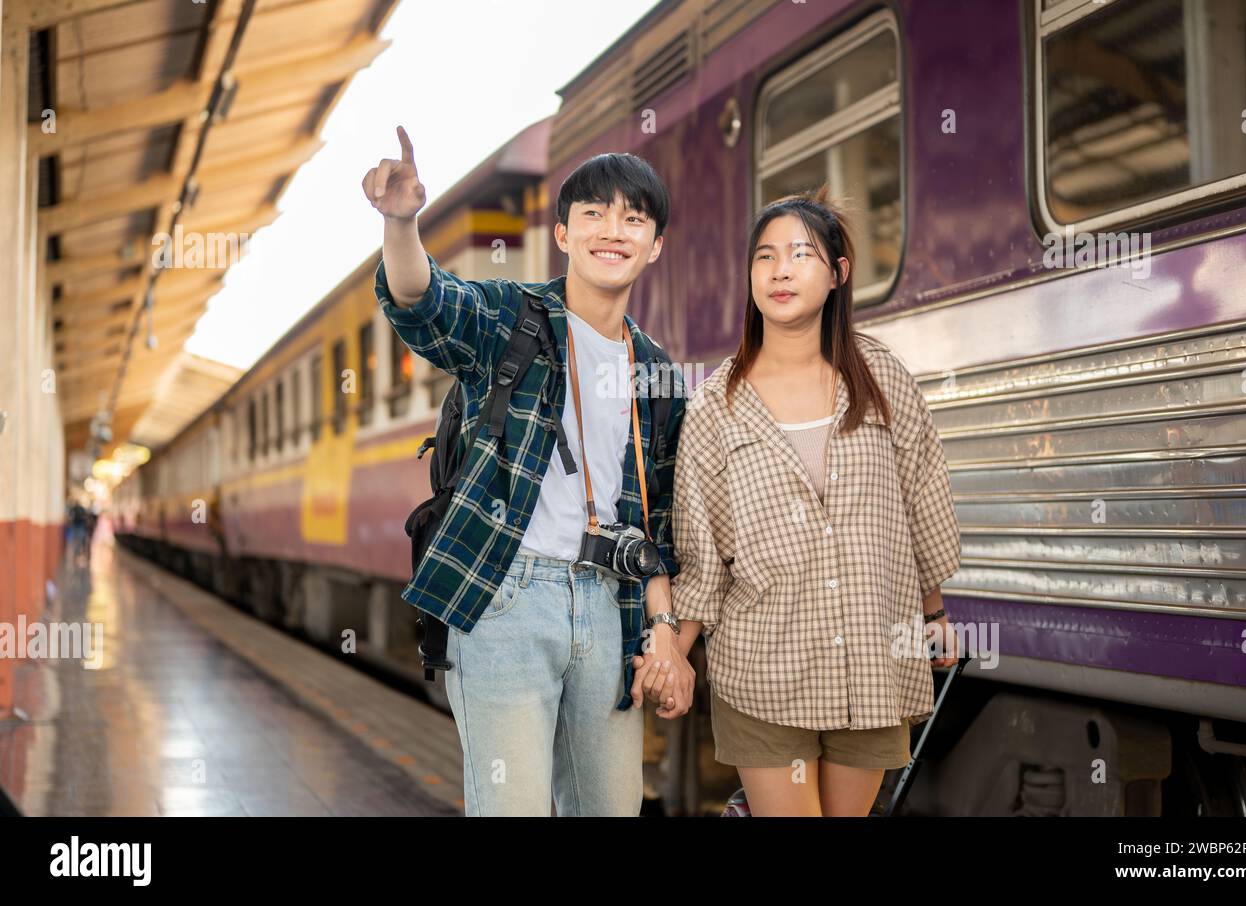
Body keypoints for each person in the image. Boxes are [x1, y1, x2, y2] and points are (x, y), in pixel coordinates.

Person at [362, 127, 693, 816]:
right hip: (508, 596)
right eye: (594, 214)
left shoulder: (658, 372)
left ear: (655, 245)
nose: (613, 230)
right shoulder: (515, 318)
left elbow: (658, 523)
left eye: (634, 218)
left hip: (609, 608)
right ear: (564, 233)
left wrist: (662, 630)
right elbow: (426, 304)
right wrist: (402, 225)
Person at [665, 187, 962, 817]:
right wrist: (675, 654)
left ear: (838, 274)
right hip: (762, 665)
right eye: (765, 256)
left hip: (873, 661)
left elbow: (922, 498)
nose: (780, 269)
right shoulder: (716, 405)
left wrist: (934, 615)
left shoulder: (882, 379)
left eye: (801, 254)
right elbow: (701, 552)